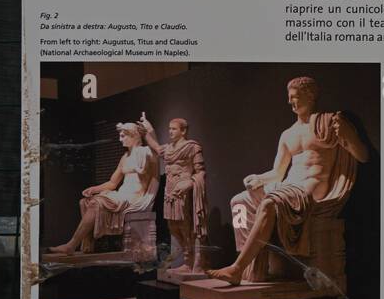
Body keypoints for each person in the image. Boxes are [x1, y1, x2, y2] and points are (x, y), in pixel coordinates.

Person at [207, 76, 368, 286]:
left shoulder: (328, 123)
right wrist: (259, 178)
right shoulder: (288, 134)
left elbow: (363, 156)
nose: (290, 102)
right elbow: (278, 172)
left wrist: (350, 137)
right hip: (287, 187)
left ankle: (236, 269)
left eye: (294, 97)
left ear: (310, 96)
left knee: (269, 203)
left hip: (311, 189)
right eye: (289, 98)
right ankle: (254, 265)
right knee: (239, 201)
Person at [48, 122, 159, 255]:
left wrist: (150, 132)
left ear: (134, 135)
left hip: (134, 198)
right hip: (121, 194)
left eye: (123, 136)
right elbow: (112, 183)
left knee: (96, 203)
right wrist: (94, 189)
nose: (120, 139)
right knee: (85, 201)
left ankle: (71, 245)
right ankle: (88, 245)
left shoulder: (144, 152)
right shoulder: (125, 157)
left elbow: (156, 153)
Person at [140, 113, 207, 273]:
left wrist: (189, 183)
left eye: (173, 129)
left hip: (183, 191)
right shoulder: (169, 149)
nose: (170, 132)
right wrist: (148, 127)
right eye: (169, 129)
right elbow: (155, 147)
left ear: (183, 131)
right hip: (170, 191)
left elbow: (201, 172)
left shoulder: (192, 147)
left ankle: (193, 261)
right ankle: (187, 259)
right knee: (172, 226)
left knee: (185, 226)